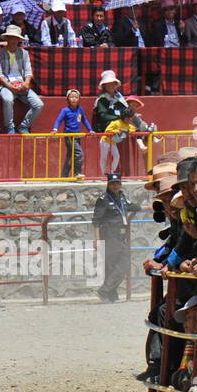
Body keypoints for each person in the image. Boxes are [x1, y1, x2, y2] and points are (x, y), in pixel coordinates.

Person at [92, 173, 137, 303]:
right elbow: (96, 221)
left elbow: (132, 206)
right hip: (109, 235)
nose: (115, 186)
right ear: (108, 184)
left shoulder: (122, 197)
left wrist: (146, 207)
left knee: (116, 265)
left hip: (120, 235)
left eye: (117, 183)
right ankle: (106, 292)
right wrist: (97, 240)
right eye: (113, 183)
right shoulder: (103, 199)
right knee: (120, 263)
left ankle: (109, 294)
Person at [0, 27, 43, 134]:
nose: (13, 41)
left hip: (21, 85)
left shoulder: (24, 53)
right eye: (11, 38)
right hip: (6, 85)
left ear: (18, 40)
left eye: (15, 38)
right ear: (7, 38)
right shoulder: (0, 53)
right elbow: (0, 74)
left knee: (39, 104)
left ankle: (24, 125)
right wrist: (10, 86)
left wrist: (26, 83)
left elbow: (28, 71)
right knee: (7, 100)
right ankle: (10, 127)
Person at [53, 90, 92, 179]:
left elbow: (84, 120)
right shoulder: (65, 110)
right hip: (69, 135)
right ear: (67, 99)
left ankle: (64, 175)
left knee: (71, 155)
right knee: (79, 153)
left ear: (79, 99)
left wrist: (90, 130)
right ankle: (77, 172)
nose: (74, 99)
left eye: (76, 97)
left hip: (77, 135)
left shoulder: (80, 110)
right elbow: (58, 120)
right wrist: (55, 129)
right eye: (71, 97)